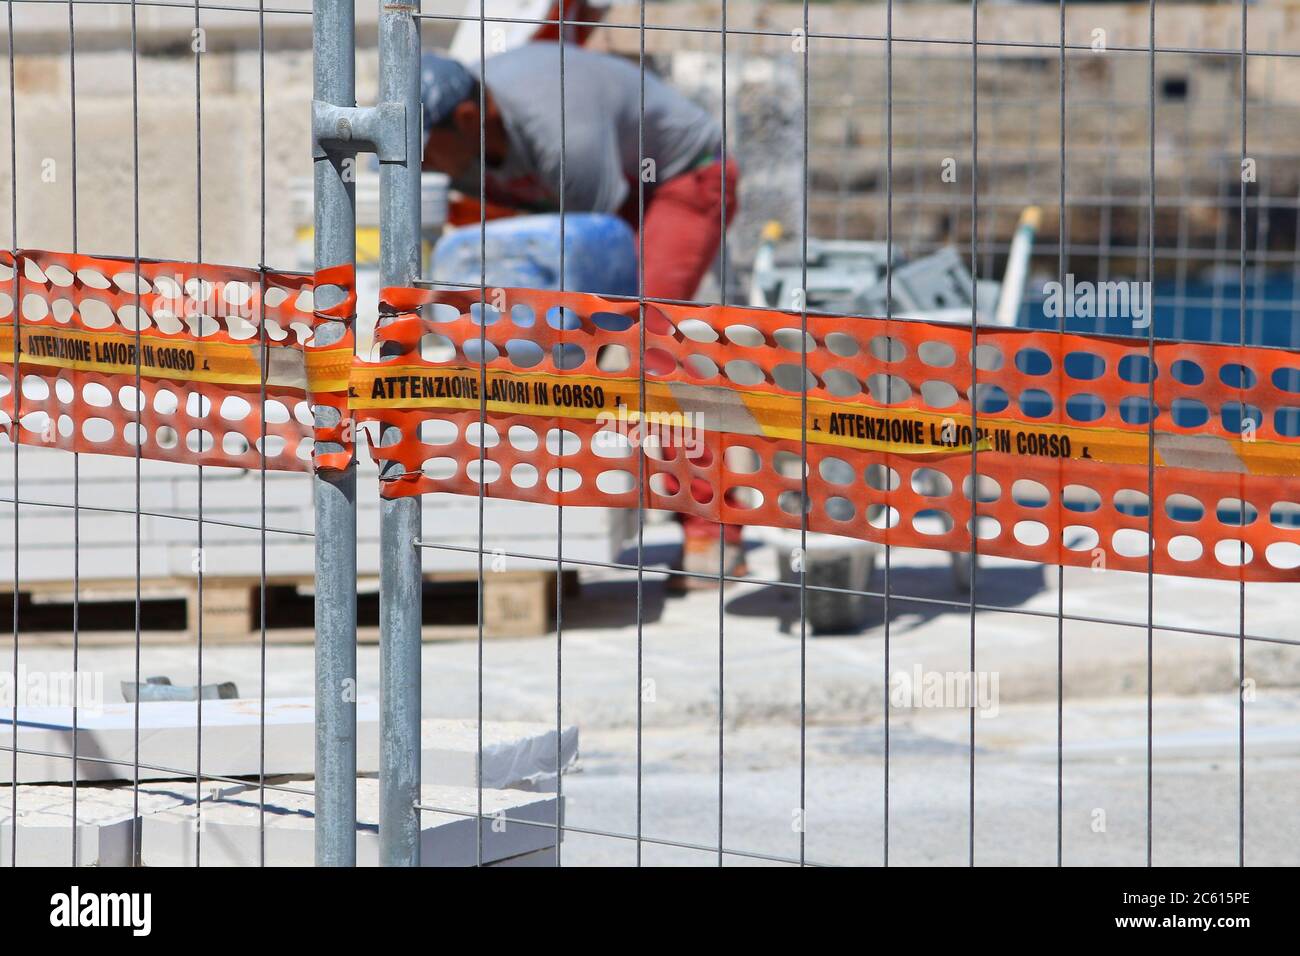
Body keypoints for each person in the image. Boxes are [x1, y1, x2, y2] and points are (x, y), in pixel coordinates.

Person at [420, 44, 744, 588]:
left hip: (678, 182)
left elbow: (597, 262)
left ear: (470, 119)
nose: (423, 165)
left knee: (646, 343)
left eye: (427, 150)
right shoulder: (462, 144)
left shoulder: (559, 129)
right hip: (581, 201)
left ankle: (713, 527)